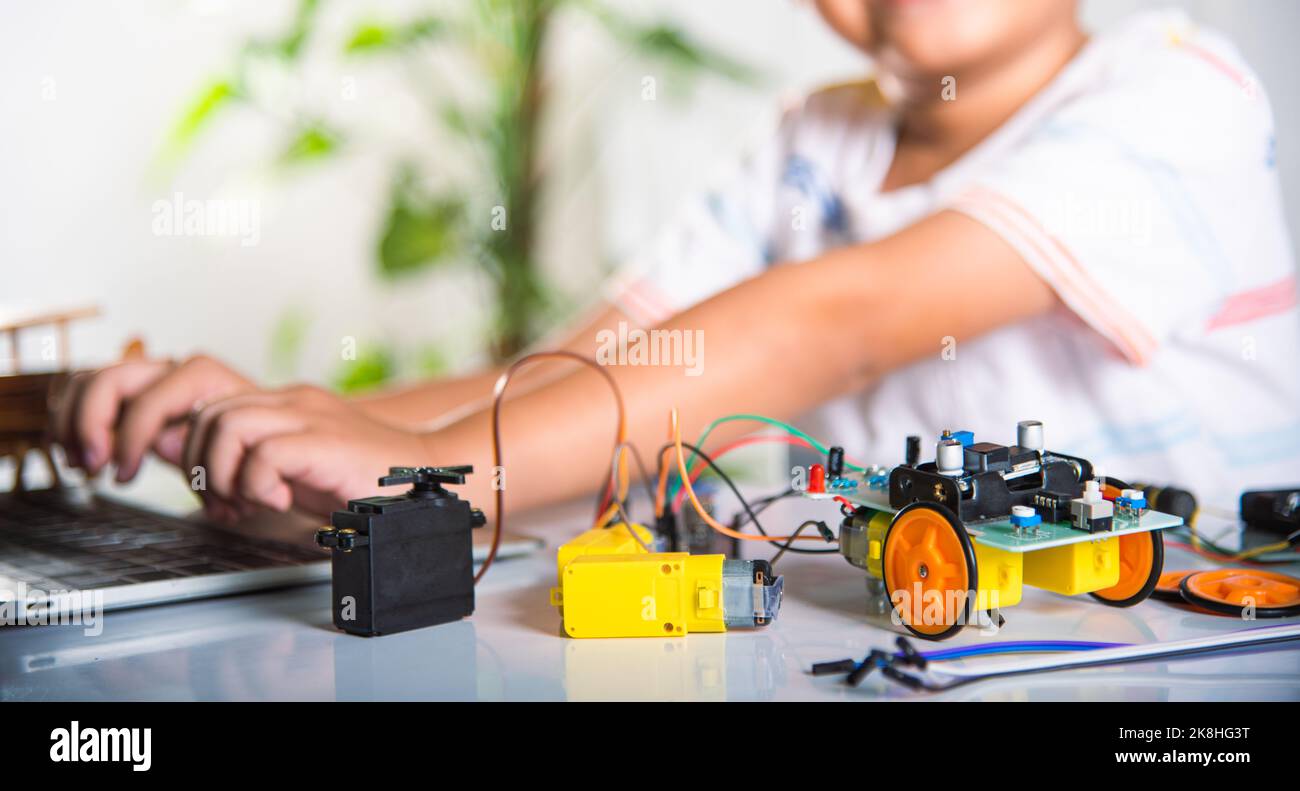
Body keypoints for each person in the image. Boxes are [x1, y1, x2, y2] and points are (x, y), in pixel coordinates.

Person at [52, 0, 1298, 524]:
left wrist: (430, 470)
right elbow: (597, 358)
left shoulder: (1174, 92)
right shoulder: (817, 134)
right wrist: (306, 421)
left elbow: (842, 318)